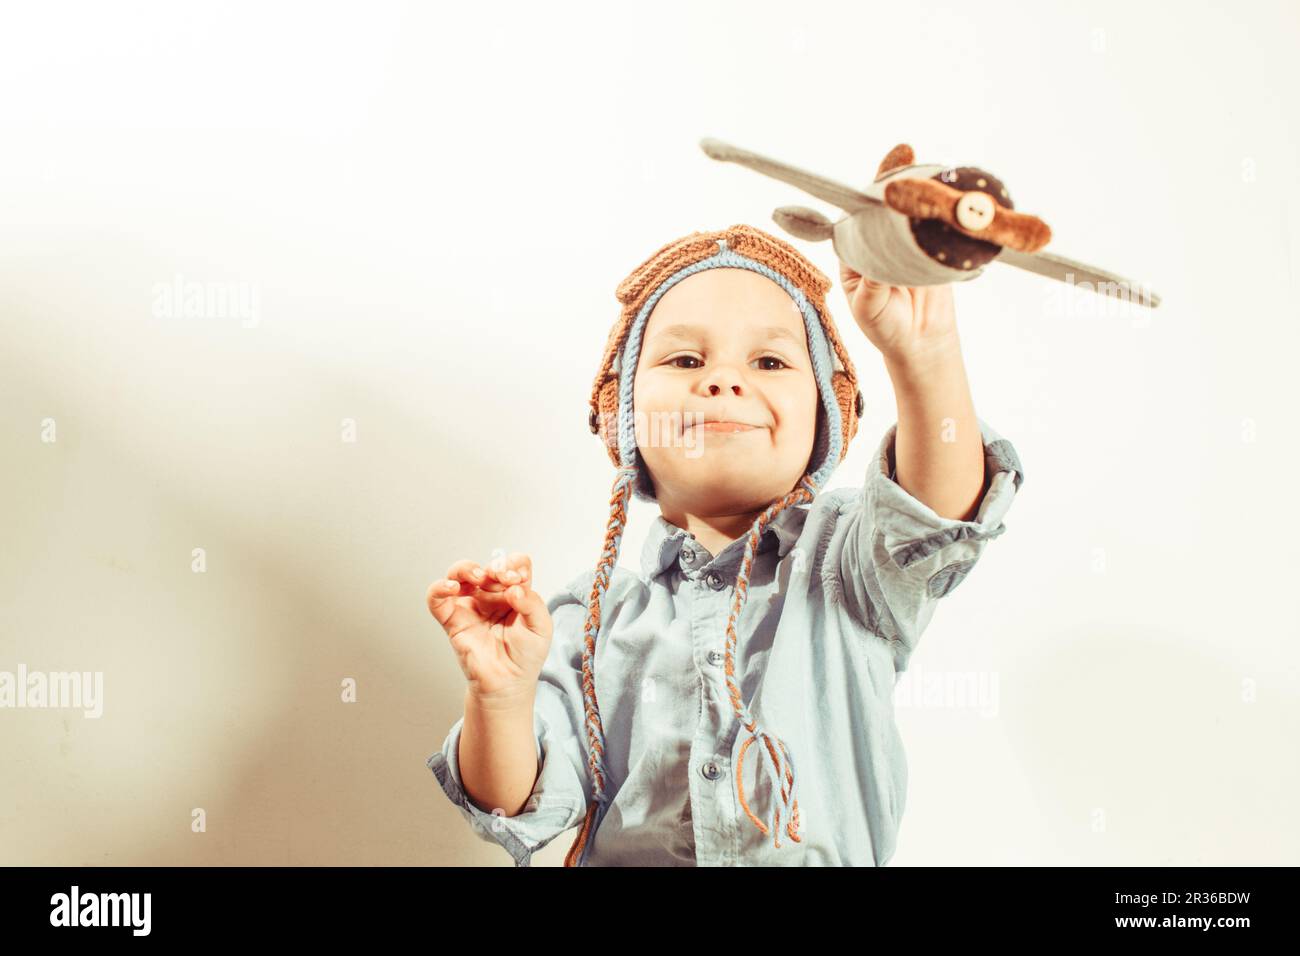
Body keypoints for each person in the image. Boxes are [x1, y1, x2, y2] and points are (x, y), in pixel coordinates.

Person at [425, 223, 1025, 866]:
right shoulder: (583, 626)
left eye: (769, 362)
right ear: (622, 414)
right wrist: (501, 695)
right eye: (685, 360)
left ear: (825, 416)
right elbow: (513, 802)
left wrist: (925, 352)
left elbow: (933, 516)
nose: (724, 381)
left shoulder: (847, 565)